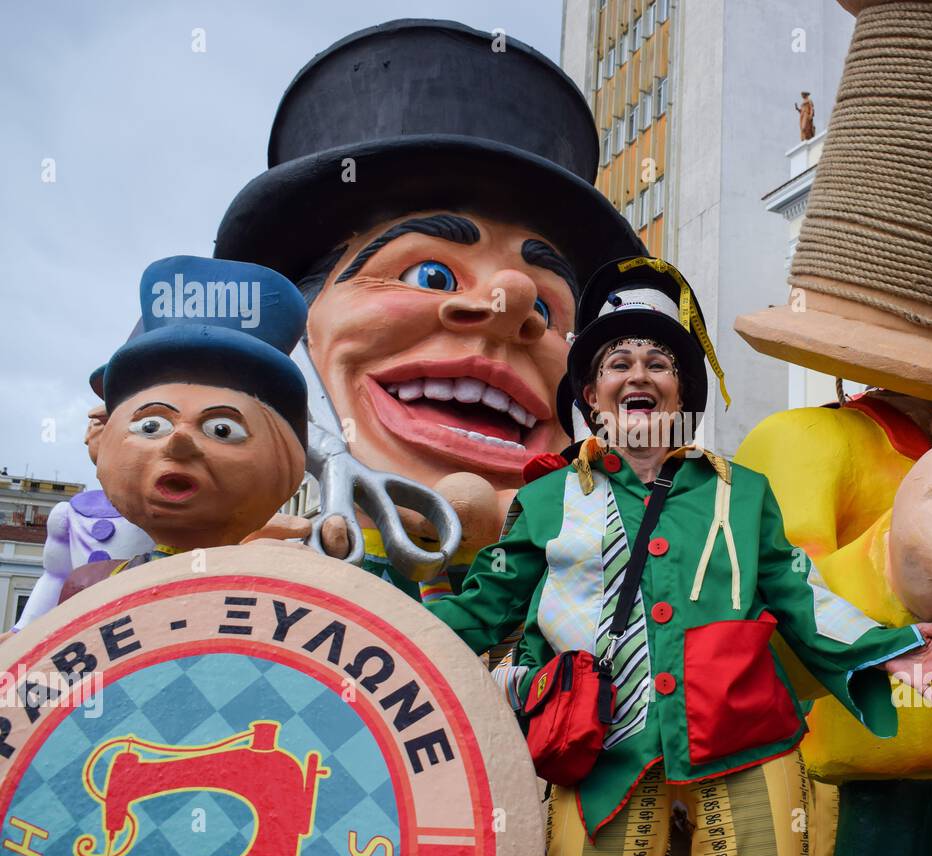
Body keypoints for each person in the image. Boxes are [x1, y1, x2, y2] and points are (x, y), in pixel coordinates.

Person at [426, 258, 932, 856]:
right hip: (602, 744)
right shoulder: (545, 500)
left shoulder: (742, 493)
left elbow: (798, 594)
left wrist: (887, 646)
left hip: (741, 739)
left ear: (680, 392)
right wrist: (379, 617)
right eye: (619, 364)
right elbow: (486, 605)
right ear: (591, 395)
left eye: (658, 364)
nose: (639, 374)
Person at [213, 20, 644, 598]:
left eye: (546, 302)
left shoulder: (618, 603)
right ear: (300, 332)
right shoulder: (214, 587)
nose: (510, 303)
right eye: (430, 274)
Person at [58, 256, 310, 600]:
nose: (179, 442)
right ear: (104, 437)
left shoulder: (283, 581)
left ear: (288, 461)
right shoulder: (90, 585)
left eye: (222, 429)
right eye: (151, 425)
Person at [8, 404, 153, 633]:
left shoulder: (161, 509)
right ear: (88, 437)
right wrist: (23, 629)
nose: (107, 434)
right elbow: (55, 576)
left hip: (142, 624)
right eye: (99, 426)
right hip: (81, 632)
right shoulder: (67, 513)